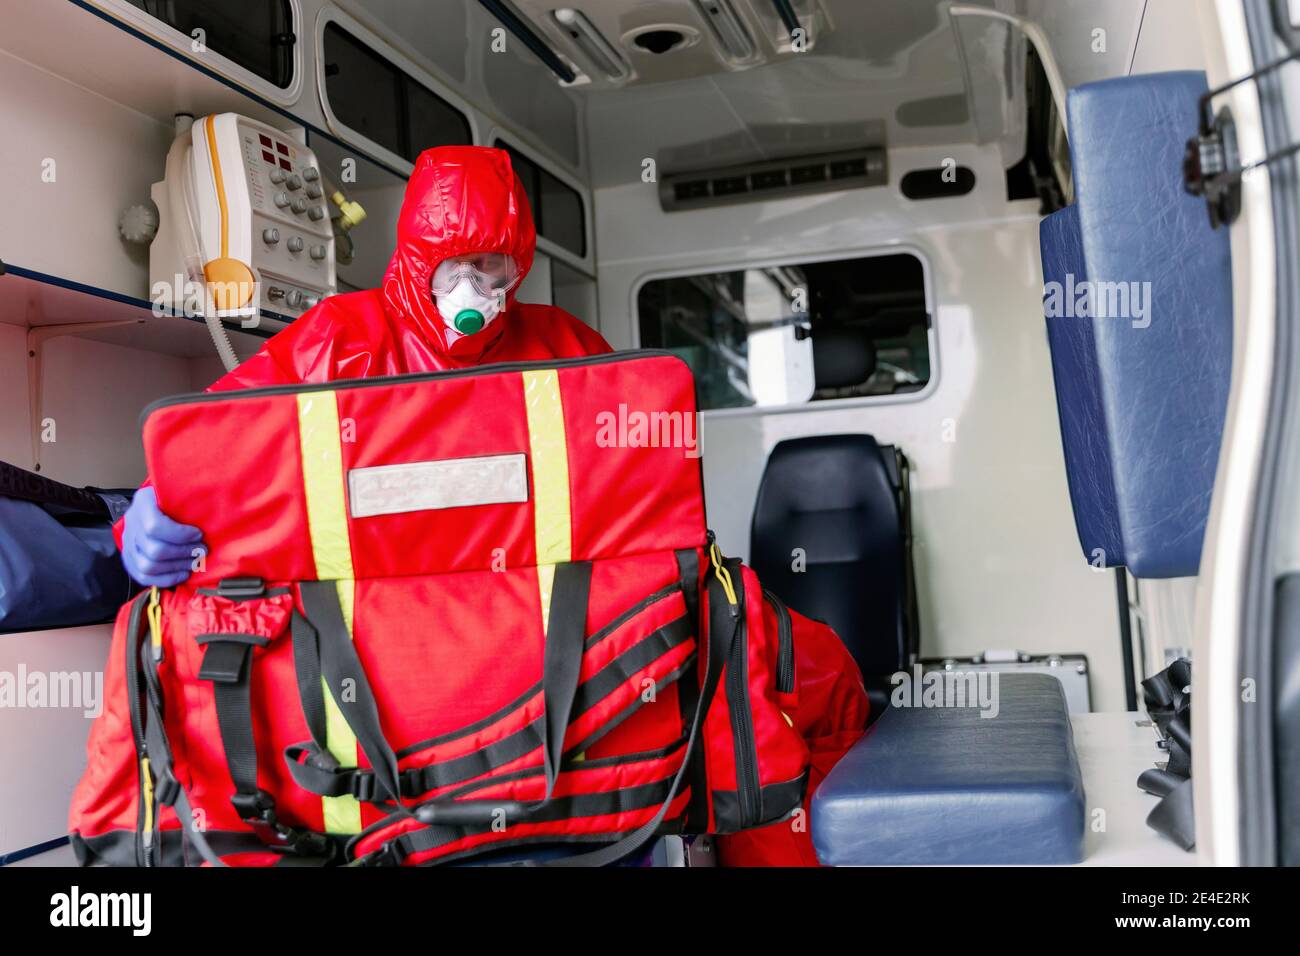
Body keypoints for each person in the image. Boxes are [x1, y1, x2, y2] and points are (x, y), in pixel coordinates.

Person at [117, 144, 868, 866]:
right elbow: (211, 448)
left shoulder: (566, 347)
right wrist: (144, 515)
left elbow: (647, 489)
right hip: (395, 655)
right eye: (454, 263)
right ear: (413, 257)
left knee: (816, 671)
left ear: (520, 266)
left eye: (493, 265)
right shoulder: (333, 346)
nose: (474, 287)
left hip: (549, 638)